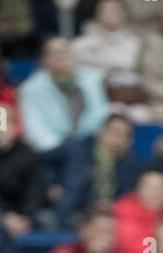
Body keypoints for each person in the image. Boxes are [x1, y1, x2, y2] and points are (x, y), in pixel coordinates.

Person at [19, 36, 110, 224]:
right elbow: (35, 131)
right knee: (76, 151)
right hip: (49, 149)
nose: (60, 56)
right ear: (44, 60)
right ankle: (65, 215)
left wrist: (86, 137)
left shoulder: (90, 80)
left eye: (65, 51)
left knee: (103, 148)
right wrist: (68, 142)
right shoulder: (32, 88)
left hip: (84, 141)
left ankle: (98, 210)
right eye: (54, 52)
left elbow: (100, 114)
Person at [72, 0, 154, 121]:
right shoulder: (80, 45)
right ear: (96, 14)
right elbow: (79, 77)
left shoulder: (138, 42)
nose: (112, 14)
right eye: (106, 10)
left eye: (116, 10)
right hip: (97, 100)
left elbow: (146, 74)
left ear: (125, 14)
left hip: (132, 98)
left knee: (145, 117)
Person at [0, 103, 49, 234]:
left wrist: (26, 216)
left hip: (28, 214)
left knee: (49, 220)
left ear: (13, 126)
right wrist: (6, 216)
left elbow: (35, 190)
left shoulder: (29, 154)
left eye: (0, 124)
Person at [112, 171, 163, 253]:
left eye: (161, 188)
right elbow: (130, 250)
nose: (155, 192)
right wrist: (162, 251)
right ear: (137, 190)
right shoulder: (122, 213)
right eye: (150, 187)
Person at [87, 112, 141, 204]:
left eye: (124, 135)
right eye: (114, 133)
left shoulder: (131, 165)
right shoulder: (80, 150)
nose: (117, 140)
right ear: (102, 131)